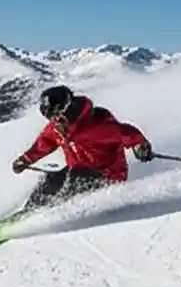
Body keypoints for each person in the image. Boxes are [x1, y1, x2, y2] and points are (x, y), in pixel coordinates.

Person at [12, 85, 153, 212]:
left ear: (67, 108)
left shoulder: (95, 125)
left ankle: (55, 211)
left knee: (77, 177)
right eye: (51, 118)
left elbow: (126, 132)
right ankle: (29, 212)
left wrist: (140, 146)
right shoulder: (57, 128)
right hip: (77, 169)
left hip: (108, 174)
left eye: (57, 116)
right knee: (52, 179)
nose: (55, 121)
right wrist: (25, 160)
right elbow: (45, 142)